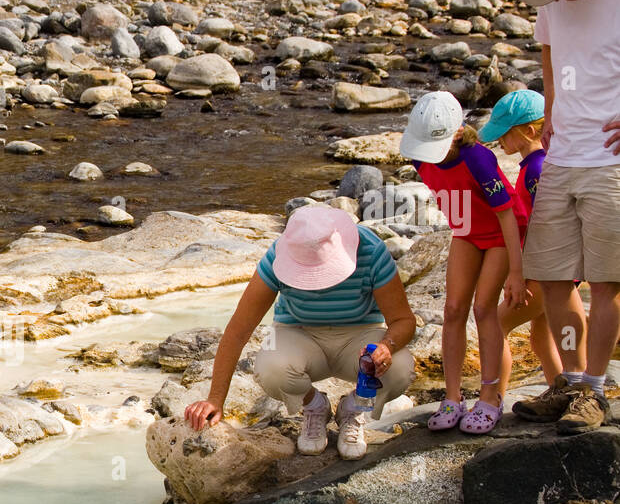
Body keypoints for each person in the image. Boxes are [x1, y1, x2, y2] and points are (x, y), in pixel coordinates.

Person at [183, 205, 416, 461]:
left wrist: (386, 346)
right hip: (298, 334)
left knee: (400, 368)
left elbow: (403, 320)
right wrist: (215, 399)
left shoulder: (370, 250)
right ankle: (314, 407)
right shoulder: (278, 255)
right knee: (270, 367)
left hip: (359, 335)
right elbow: (239, 330)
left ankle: (353, 409)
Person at [508, 0, 620, 433]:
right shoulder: (553, 1)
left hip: (611, 163)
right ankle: (571, 380)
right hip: (562, 158)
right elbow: (552, 59)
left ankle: (595, 390)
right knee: (552, 277)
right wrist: (551, 112)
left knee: (606, 282)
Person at [399, 91, 530, 434]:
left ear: (457, 133)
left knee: (484, 308)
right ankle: (453, 396)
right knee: (454, 308)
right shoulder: (419, 158)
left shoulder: (478, 159)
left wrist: (516, 273)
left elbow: (506, 215)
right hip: (467, 232)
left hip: (502, 235)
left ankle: (490, 397)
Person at [479, 89, 590, 397]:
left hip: (547, 271)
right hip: (555, 269)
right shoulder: (539, 165)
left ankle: (493, 399)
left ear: (528, 131)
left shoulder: (537, 170)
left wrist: (523, 274)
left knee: (496, 327)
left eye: (504, 135)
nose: (499, 141)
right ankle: (564, 390)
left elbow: (553, 225)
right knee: (542, 338)